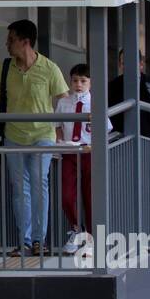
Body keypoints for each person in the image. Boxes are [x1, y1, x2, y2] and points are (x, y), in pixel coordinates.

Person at [0, 20, 68, 257]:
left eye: (11, 40)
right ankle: (26, 241)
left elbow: (65, 101)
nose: (7, 44)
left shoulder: (49, 68)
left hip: (43, 135)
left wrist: (62, 135)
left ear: (25, 42)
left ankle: (40, 240)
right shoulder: (6, 67)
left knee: (39, 184)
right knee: (20, 188)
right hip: (14, 135)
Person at [55, 64, 111, 254]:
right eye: (75, 81)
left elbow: (105, 128)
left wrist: (95, 145)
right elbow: (57, 125)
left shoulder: (96, 102)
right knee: (67, 196)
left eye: (83, 81)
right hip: (69, 152)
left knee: (90, 196)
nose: (78, 84)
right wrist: (59, 141)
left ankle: (92, 239)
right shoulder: (63, 103)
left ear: (90, 83)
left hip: (89, 153)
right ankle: (77, 229)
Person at [107, 49, 150, 143]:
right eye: (124, 63)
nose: (128, 67)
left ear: (141, 64)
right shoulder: (112, 86)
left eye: (132, 63)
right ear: (120, 65)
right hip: (119, 144)